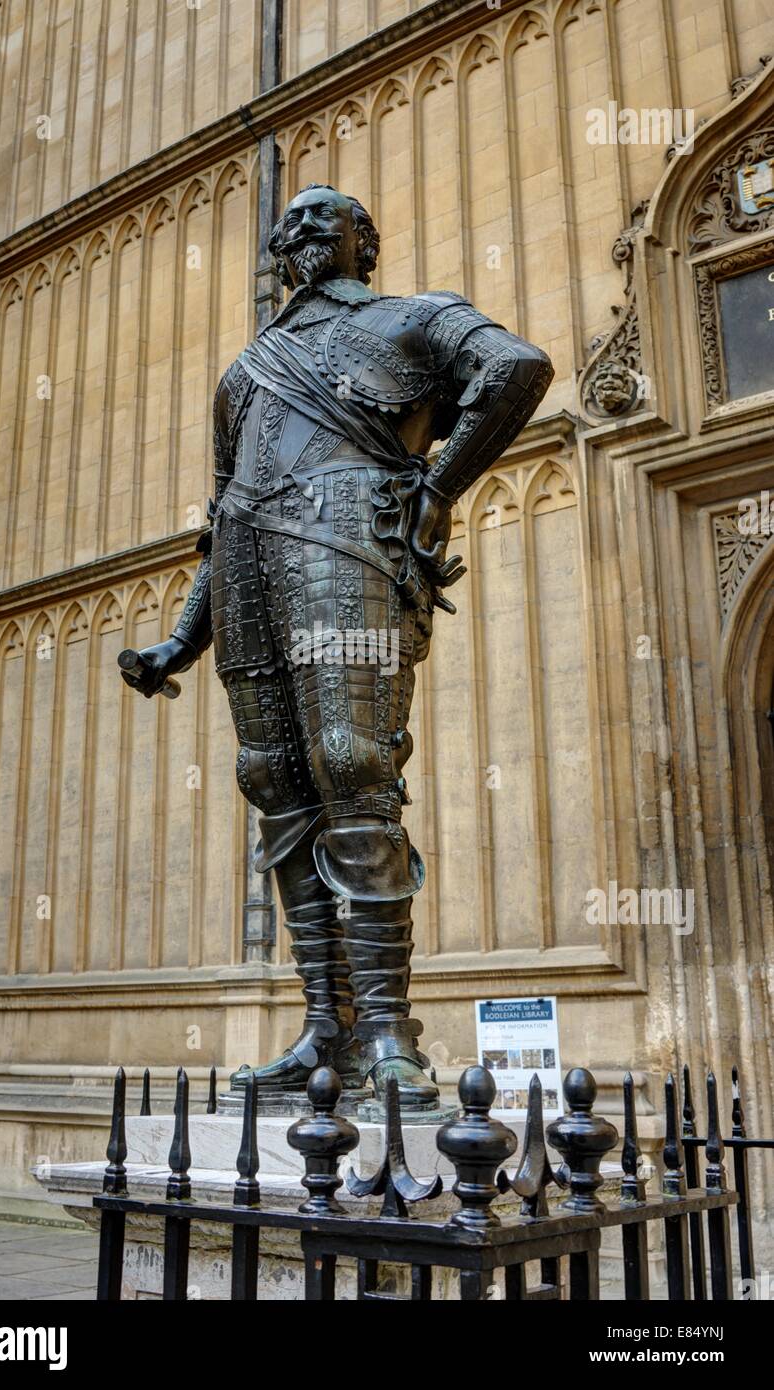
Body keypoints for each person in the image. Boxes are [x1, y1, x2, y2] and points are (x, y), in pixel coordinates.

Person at [121, 183, 553, 1110]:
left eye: (331, 216)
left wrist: (439, 483)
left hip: (348, 542)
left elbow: (517, 368)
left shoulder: (415, 318)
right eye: (295, 221)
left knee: (350, 759)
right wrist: (179, 640)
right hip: (245, 567)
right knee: (274, 778)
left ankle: (389, 1031)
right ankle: (327, 1026)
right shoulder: (244, 374)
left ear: (368, 242)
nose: (305, 227)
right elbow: (222, 511)